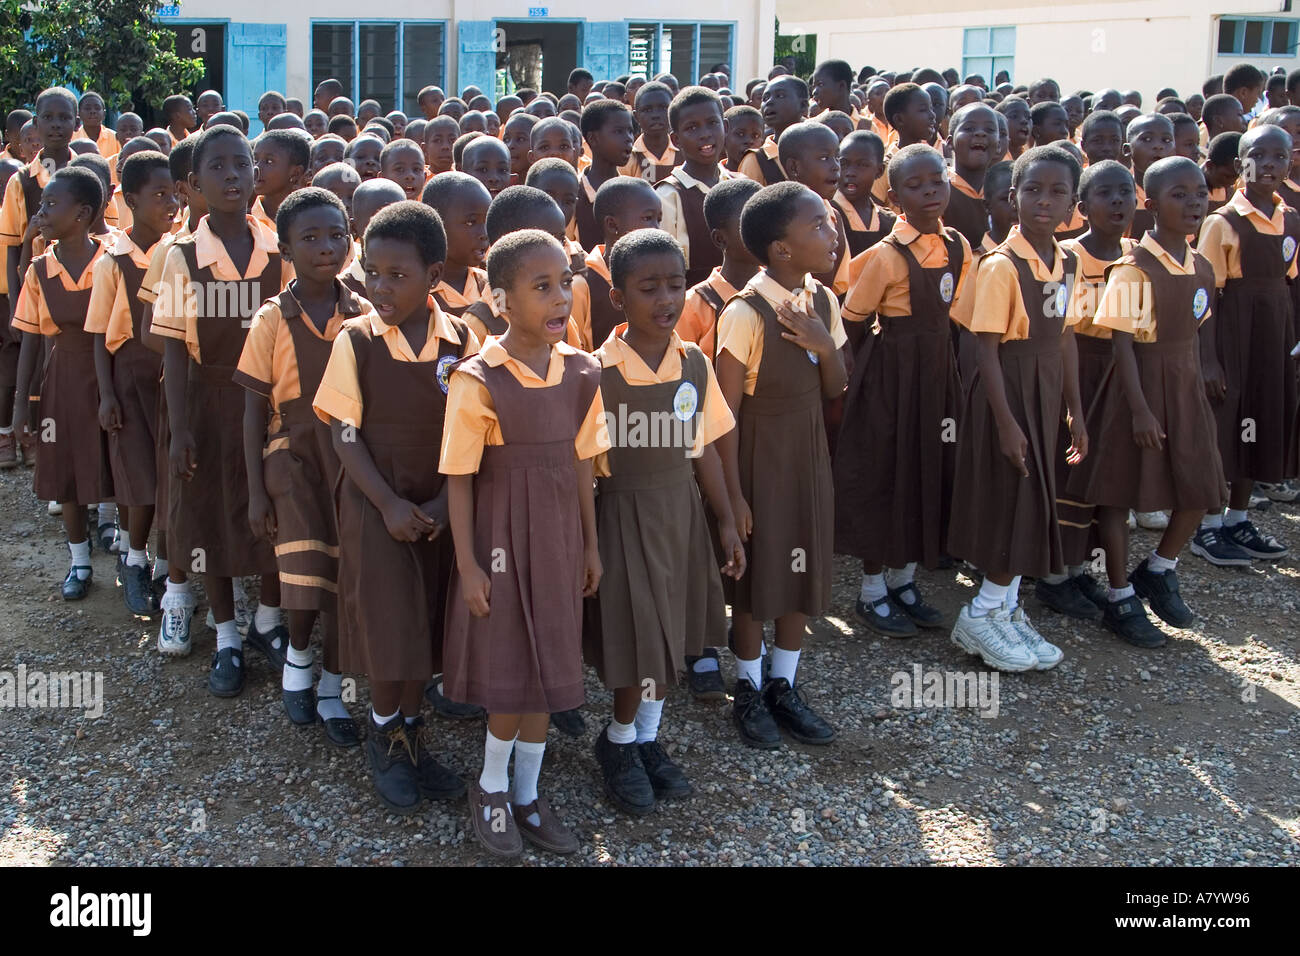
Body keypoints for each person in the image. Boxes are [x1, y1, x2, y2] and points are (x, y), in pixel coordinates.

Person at [441, 228, 605, 857]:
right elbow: (458, 478)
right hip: (501, 543)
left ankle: (529, 794)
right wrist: (469, 566)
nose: (560, 297)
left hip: (560, 542)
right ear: (501, 300)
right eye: (542, 287)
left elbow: (585, 466)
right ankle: (490, 788)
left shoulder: (583, 371)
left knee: (551, 668)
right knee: (512, 670)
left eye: (565, 283)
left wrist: (590, 548)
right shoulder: (477, 379)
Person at [587, 228, 744, 814]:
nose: (666, 299)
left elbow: (701, 446)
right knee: (641, 638)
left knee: (672, 635)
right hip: (624, 515)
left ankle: (645, 737)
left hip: (680, 513)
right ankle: (618, 741)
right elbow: (584, 464)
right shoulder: (597, 372)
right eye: (647, 288)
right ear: (618, 299)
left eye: (675, 285)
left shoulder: (694, 362)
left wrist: (725, 518)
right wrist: (587, 543)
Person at [151, 125, 291, 696]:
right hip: (208, 401)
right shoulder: (182, 257)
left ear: (257, 175)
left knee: (276, 508)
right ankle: (228, 634)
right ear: (194, 184)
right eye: (219, 167)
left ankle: (267, 620)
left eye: (243, 164)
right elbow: (173, 350)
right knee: (211, 511)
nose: (233, 175)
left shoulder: (278, 248)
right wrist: (180, 427)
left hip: (271, 402)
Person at [1069, 156, 1226, 646]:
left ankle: (1159, 567)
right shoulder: (1135, 269)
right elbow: (1121, 344)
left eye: (1199, 192)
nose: (1194, 202)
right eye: (1179, 195)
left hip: (1182, 386)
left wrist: (1199, 376)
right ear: (1150, 204)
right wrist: (1138, 408)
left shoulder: (1200, 264)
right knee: (1119, 492)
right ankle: (1119, 596)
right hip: (1136, 386)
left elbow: (1196, 330)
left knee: (1202, 486)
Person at [715, 181, 847, 749]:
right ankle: (746, 684)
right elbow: (722, 415)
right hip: (756, 457)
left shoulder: (823, 301)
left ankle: (783, 685)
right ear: (781, 250)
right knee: (755, 575)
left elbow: (836, 386)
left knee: (801, 564)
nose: (833, 232)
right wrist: (734, 496)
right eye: (817, 225)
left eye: (829, 222)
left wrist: (825, 345)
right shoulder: (744, 313)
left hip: (806, 454)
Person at [947, 145, 1086, 673]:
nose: (1043, 202)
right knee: (1011, 499)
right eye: (1033, 190)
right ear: (1012, 197)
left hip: (1045, 390)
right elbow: (985, 349)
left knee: (1034, 498)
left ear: (1073, 204)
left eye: (1057, 193)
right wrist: (1006, 422)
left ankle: (1005, 607)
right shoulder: (1000, 266)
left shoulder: (1067, 259)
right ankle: (981, 613)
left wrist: (1075, 410)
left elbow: (1067, 337)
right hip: (1007, 390)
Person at [236, 187, 364, 745]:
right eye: (309, 238)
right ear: (285, 248)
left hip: (350, 450)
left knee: (346, 570)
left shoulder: (360, 311)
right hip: (291, 453)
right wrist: (255, 492)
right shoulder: (272, 317)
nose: (326, 247)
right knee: (304, 567)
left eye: (336, 235)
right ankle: (298, 659)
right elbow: (249, 408)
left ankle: (334, 684)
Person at [837, 145, 972, 637]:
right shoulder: (885, 257)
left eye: (937, 181)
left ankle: (905, 579)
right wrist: (849, 387)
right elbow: (852, 324)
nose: (930, 192)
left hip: (937, 375)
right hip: (890, 378)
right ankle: (872, 590)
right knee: (886, 472)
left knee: (929, 468)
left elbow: (958, 316)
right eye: (915, 186)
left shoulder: (958, 246)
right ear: (894, 198)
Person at [1037, 160, 1139, 621]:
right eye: (1105, 193)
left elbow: (1134, 331)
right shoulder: (1068, 257)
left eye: (1125, 192)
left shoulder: (1135, 257)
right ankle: (1054, 575)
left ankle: (1082, 569)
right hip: (1075, 368)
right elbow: (1061, 330)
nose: (1117, 201)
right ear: (1081, 207)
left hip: (1121, 373)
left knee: (1102, 472)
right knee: (1069, 469)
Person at [1192, 125, 1298, 565]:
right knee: (1227, 423)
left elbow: (1293, 284)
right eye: (1260, 156)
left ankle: (1238, 517)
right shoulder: (1222, 222)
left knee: (1261, 417)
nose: (1270, 165)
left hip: (1273, 334)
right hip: (1233, 331)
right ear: (1240, 166)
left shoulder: (1290, 218)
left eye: (1280, 156)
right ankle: (1208, 525)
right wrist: (1210, 359)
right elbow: (1204, 297)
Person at [11, 167, 114, 599]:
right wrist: (21, 405)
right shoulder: (39, 269)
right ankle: (79, 560)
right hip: (63, 377)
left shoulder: (111, 262)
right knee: (67, 470)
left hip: (109, 374)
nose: (42, 212)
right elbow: (31, 342)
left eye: (52, 204)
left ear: (83, 213)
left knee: (111, 457)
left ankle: (124, 544)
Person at [86, 150, 178, 614]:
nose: (171, 204)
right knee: (139, 479)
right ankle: (135, 560)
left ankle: (165, 568)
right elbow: (101, 334)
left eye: (174, 193)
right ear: (130, 200)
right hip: (129, 377)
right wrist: (105, 394)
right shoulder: (112, 261)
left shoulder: (180, 253)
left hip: (172, 376)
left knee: (169, 477)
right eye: (159, 195)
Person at [656, 86, 735, 288]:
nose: (705, 134)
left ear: (725, 127)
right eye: (692, 128)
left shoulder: (738, 186)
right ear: (675, 139)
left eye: (712, 123)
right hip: (690, 309)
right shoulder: (668, 196)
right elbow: (663, 267)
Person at [586, 176, 662, 350]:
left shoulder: (657, 276)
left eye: (659, 219)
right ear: (612, 225)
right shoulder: (585, 284)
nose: (656, 229)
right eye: (648, 218)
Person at [420, 172, 490, 317]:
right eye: (471, 222)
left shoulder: (491, 285)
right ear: (437, 224)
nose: (484, 233)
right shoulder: (418, 292)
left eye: (487, 220)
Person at [570, 100, 635, 250]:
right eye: (619, 131)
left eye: (630, 131)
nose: (629, 138)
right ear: (593, 139)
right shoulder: (574, 194)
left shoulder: (634, 192)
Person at [943, 104, 999, 248]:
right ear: (949, 143)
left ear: (999, 145)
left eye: (990, 130)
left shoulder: (1004, 189)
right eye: (969, 128)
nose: (981, 133)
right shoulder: (939, 187)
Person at [740, 76, 808, 185]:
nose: (769, 102)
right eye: (765, 98)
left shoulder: (818, 151)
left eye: (780, 96)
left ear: (803, 105)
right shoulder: (757, 160)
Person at [1124, 114, 1175, 238]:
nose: (1158, 146)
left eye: (1166, 140)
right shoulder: (1121, 191)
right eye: (1147, 139)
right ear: (1127, 149)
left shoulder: (1181, 191)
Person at [251, 129, 308, 232]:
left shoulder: (311, 220)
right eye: (255, 160)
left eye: (269, 161)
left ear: (296, 173)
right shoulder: (247, 222)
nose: (257, 168)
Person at [621, 82, 677, 182]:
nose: (655, 115)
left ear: (672, 111)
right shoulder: (628, 157)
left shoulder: (684, 152)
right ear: (636, 116)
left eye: (663, 108)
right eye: (647, 110)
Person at [722, 105, 764, 173]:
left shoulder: (767, 173)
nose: (749, 141)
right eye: (740, 134)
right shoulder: (714, 176)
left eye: (756, 136)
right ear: (724, 134)